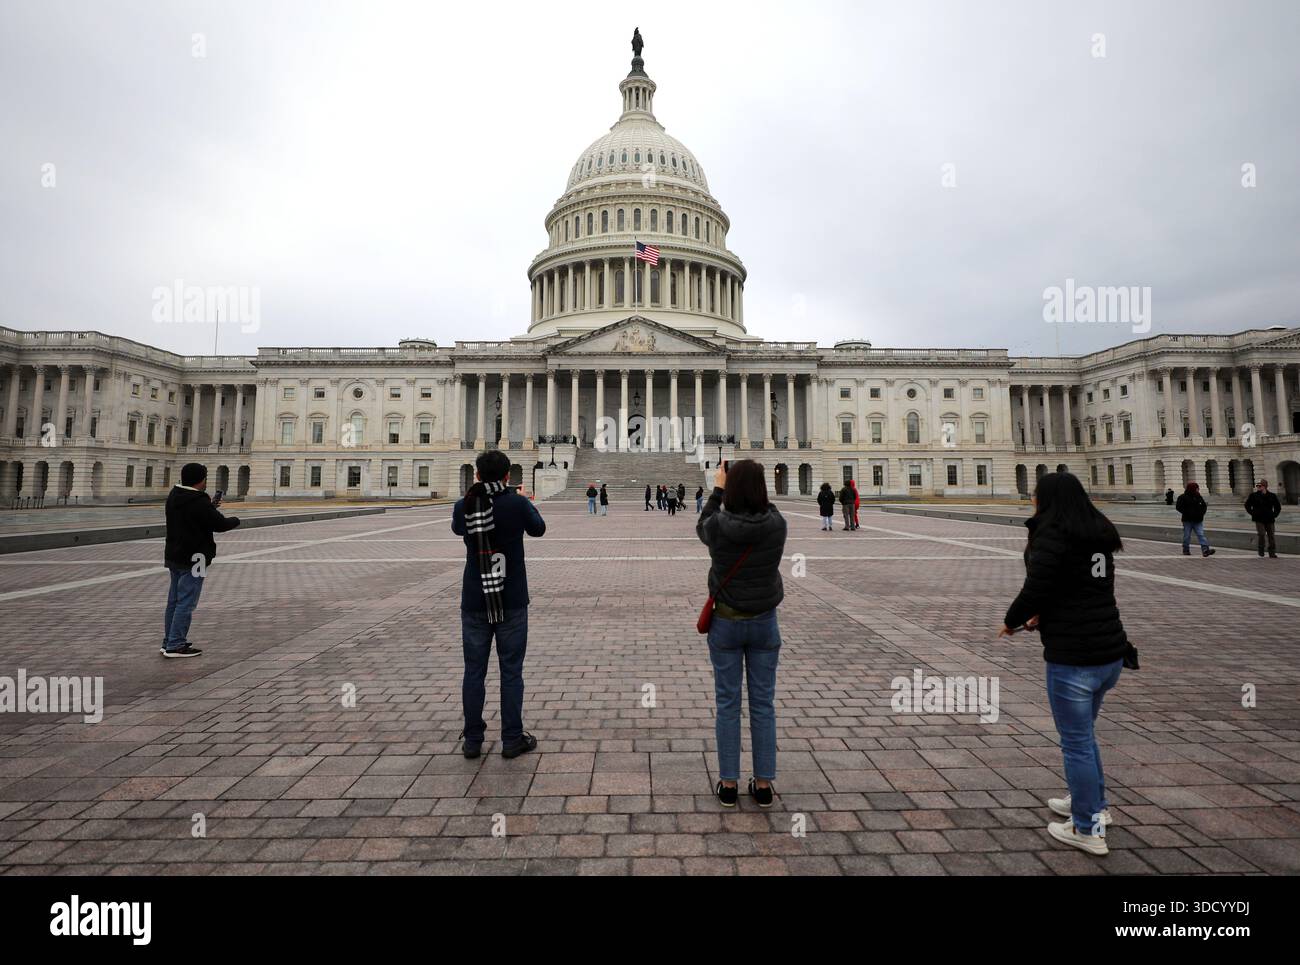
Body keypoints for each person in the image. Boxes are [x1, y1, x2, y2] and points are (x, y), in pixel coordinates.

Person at [1000, 472, 1130, 857]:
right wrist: (1048, 614)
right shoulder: (1097, 533)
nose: (1033, 500)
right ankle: (1094, 806)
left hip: (1075, 656)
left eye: (1037, 495)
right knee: (1084, 738)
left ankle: (1086, 827)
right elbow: (1087, 590)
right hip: (1110, 651)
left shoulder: (1053, 533)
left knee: (1075, 744)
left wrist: (1012, 621)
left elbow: (1038, 586)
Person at [697, 459, 788, 808]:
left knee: (727, 704)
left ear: (730, 488)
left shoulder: (718, 526)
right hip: (765, 622)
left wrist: (719, 489)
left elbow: (702, 523)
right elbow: (769, 509)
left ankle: (729, 783)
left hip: (726, 623)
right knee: (763, 704)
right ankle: (763, 784)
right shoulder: (777, 524)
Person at [451, 450, 546, 760]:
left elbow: (458, 529)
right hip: (512, 599)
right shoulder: (517, 503)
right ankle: (511, 739)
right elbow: (538, 528)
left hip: (476, 599)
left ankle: (473, 740)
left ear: (477, 475)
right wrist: (519, 498)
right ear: (508, 476)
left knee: (474, 671)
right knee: (511, 672)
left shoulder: (464, 505)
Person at [162, 462, 241, 658]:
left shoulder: (174, 496)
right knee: (186, 602)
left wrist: (209, 507)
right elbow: (219, 524)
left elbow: (194, 518)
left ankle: (168, 641)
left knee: (174, 600)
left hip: (174, 555)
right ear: (200, 479)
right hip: (195, 557)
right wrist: (236, 520)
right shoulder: (198, 501)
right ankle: (176, 644)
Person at [1175, 481, 1215, 557]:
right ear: (1192, 488)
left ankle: (1205, 550)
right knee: (1187, 536)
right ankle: (1186, 549)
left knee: (1201, 534)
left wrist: (1201, 514)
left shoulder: (1198, 496)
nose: (1198, 489)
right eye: (1197, 488)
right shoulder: (1182, 497)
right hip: (1187, 520)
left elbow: (1204, 506)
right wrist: (1187, 513)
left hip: (1198, 520)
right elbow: (1178, 507)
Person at [1245, 478, 1281, 558]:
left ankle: (1272, 552)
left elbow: (1277, 507)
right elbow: (1247, 505)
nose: (1258, 487)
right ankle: (1261, 549)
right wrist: (1253, 513)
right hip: (1259, 519)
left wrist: (1274, 515)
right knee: (1261, 534)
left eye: (1259, 485)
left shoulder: (1272, 496)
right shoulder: (1253, 495)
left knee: (1271, 535)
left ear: (1265, 486)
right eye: (1257, 485)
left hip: (1269, 518)